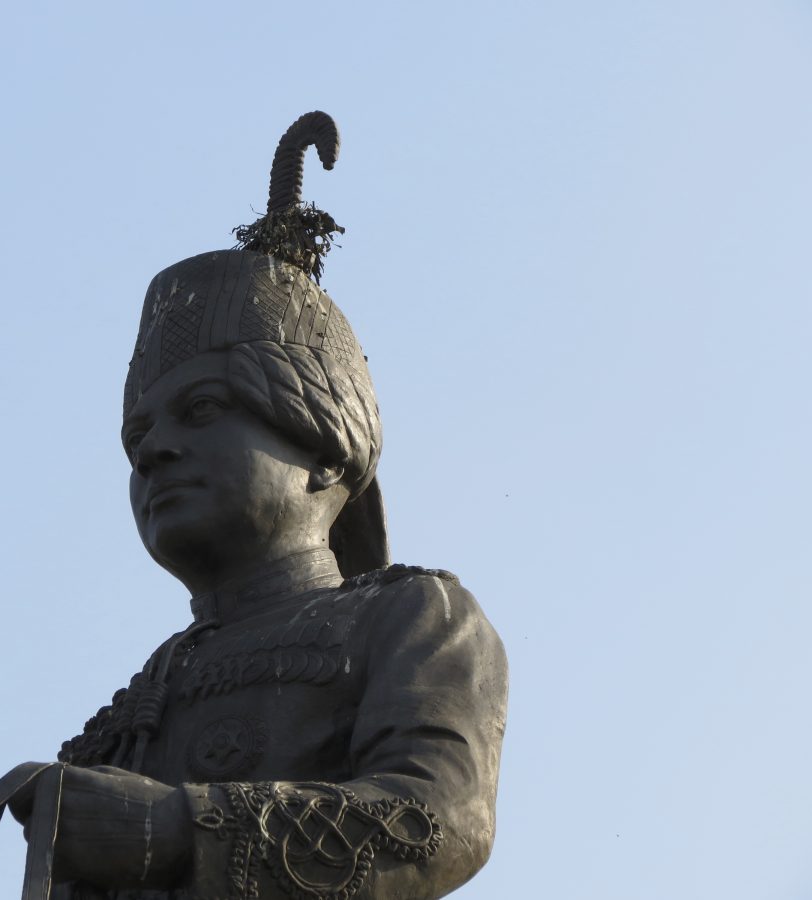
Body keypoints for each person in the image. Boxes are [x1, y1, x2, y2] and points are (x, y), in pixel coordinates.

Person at [26, 114, 508, 900]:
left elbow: (438, 820)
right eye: (137, 434)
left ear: (324, 454)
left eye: (204, 411)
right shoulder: (117, 726)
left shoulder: (415, 617)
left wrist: (177, 831)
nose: (152, 451)